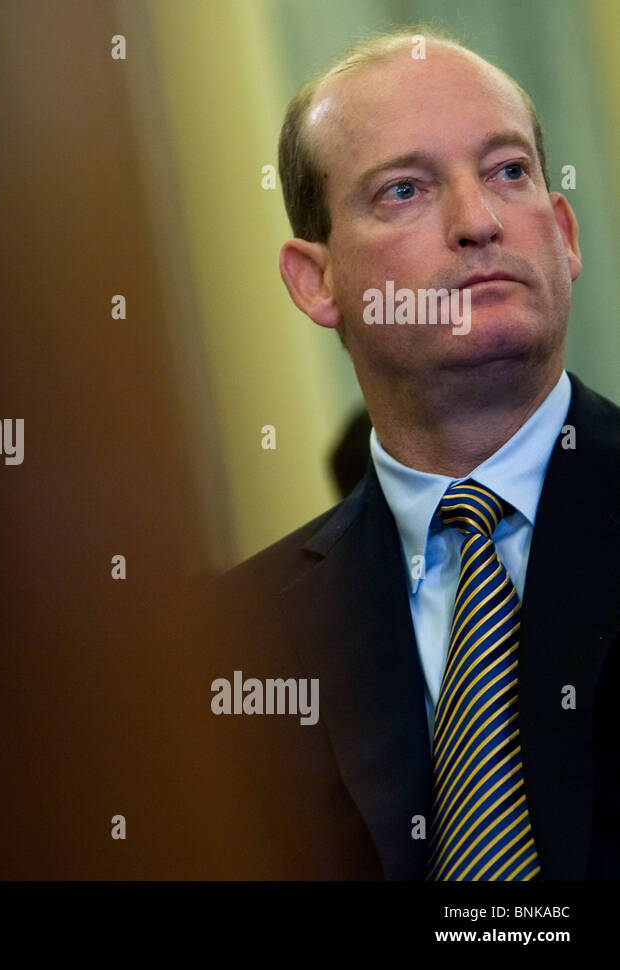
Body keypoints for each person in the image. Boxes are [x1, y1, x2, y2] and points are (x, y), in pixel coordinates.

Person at [191, 29, 619, 880]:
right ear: (316, 282)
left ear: (565, 235)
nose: (479, 222)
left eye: (508, 171)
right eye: (404, 190)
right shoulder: (224, 652)